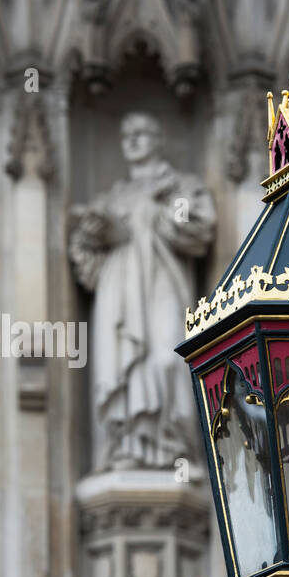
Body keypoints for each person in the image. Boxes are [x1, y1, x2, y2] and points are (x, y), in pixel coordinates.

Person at [68, 112, 215, 471]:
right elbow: (86, 263)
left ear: (159, 141)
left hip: (162, 285)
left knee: (167, 359)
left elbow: (198, 230)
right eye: (126, 134)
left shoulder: (180, 187)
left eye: (142, 132)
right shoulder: (114, 197)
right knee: (121, 368)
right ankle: (128, 448)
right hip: (118, 293)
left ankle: (175, 449)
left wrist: (159, 210)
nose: (132, 140)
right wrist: (93, 234)